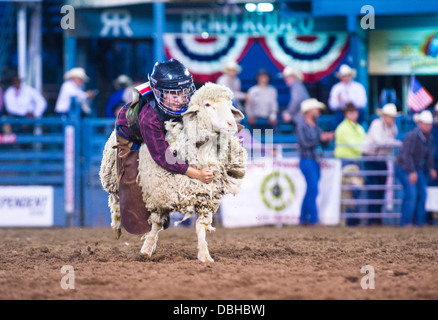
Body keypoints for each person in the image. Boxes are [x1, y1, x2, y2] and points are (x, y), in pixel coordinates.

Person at [114, 59, 214, 235]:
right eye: (173, 95)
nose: (180, 99)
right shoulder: (149, 117)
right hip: (132, 134)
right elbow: (163, 157)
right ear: (159, 92)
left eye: (184, 93)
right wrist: (197, 174)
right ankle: (138, 226)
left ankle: (163, 215)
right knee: (131, 176)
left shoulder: (189, 103)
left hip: (167, 129)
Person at [362, 103, 402, 225]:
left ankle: (377, 218)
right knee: (374, 188)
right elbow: (379, 141)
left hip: (381, 159)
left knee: (380, 189)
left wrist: (392, 143)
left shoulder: (393, 127)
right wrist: (395, 143)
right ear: (384, 116)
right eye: (390, 116)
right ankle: (372, 219)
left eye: (393, 116)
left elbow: (386, 142)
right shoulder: (376, 124)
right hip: (370, 158)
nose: (392, 118)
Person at [395, 110, 437, 227]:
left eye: (429, 124)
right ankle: (406, 222)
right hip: (404, 167)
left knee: (422, 194)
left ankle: (419, 222)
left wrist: (431, 168)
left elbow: (429, 155)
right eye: (426, 123)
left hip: (414, 167)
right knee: (411, 193)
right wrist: (412, 171)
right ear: (420, 124)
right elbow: (406, 155)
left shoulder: (429, 137)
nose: (428, 126)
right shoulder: (412, 136)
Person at [296, 98, 334, 225]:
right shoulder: (302, 126)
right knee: (313, 188)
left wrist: (325, 139)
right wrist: (321, 138)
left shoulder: (315, 127)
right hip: (307, 160)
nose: (318, 112)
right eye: (316, 109)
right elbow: (305, 143)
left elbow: (321, 143)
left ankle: (304, 218)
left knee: (311, 189)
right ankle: (312, 218)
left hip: (313, 160)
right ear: (309, 111)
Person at [334, 103, 367, 226]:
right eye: (351, 112)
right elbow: (359, 145)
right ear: (346, 114)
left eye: (355, 112)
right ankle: (349, 219)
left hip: (355, 161)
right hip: (347, 161)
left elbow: (362, 144)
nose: (354, 114)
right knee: (349, 191)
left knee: (353, 191)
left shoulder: (358, 128)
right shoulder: (343, 128)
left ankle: (351, 219)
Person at [328, 64, 367, 129]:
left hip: (356, 113)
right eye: (343, 76)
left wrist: (351, 103)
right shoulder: (336, 88)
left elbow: (363, 103)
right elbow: (332, 105)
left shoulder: (358, 87)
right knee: (336, 122)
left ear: (351, 76)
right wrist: (340, 102)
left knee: (361, 117)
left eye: (347, 75)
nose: (346, 78)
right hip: (341, 113)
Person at [245, 69, 278, 139]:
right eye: (262, 76)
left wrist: (273, 116)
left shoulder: (272, 90)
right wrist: (250, 116)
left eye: (265, 76)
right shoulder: (252, 90)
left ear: (268, 78)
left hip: (268, 120)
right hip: (256, 120)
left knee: (269, 141)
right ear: (258, 78)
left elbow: (274, 104)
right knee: (257, 142)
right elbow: (249, 105)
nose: (263, 78)